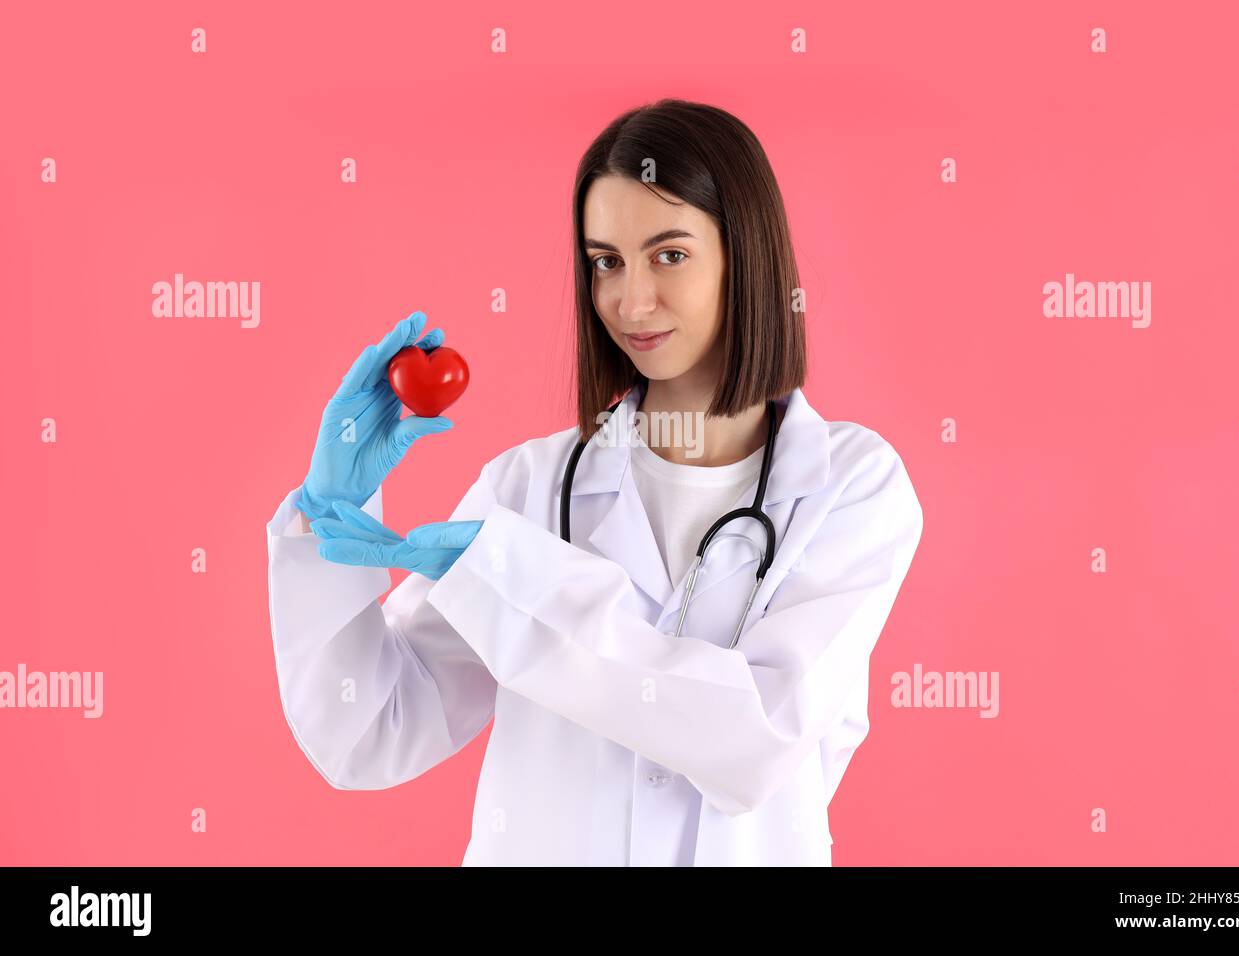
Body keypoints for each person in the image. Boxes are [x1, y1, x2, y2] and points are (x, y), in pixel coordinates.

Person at [266, 98, 924, 866]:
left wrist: (510, 583)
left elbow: (758, 737)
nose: (630, 301)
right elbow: (367, 733)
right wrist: (328, 512)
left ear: (745, 255)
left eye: (668, 254)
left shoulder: (851, 487)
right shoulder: (528, 488)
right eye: (606, 261)